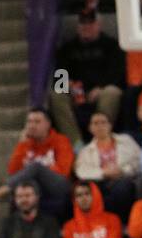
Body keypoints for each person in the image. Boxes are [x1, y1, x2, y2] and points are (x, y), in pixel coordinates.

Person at [0, 107, 74, 218]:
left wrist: (38, 172)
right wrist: (21, 145)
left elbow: (63, 170)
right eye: (29, 122)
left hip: (58, 185)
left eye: (37, 122)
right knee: (24, 185)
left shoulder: (61, 141)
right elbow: (13, 172)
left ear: (48, 124)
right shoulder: (26, 144)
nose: (32, 126)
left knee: (35, 168)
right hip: (34, 188)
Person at [49, 11, 126, 146]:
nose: (86, 27)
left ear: (99, 25)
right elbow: (59, 80)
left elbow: (118, 75)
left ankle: (102, 139)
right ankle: (76, 144)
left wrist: (101, 87)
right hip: (76, 96)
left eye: (90, 23)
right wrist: (69, 85)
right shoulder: (66, 49)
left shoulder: (112, 46)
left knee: (112, 92)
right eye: (83, 23)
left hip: (101, 93)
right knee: (56, 95)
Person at [74, 109, 140, 220]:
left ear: (110, 125)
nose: (100, 126)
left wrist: (123, 171)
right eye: (95, 123)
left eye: (103, 122)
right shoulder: (85, 150)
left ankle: (122, 220)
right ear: (90, 128)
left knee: (123, 186)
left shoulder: (126, 141)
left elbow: (139, 161)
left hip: (124, 178)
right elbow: (81, 171)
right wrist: (103, 173)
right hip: (100, 182)